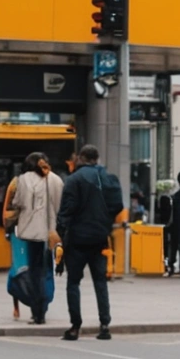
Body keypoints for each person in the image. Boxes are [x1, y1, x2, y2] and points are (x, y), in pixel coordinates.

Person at [56, 145, 123, 341]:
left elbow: (66, 211)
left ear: (81, 158)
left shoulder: (74, 180)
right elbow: (117, 205)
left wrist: (61, 233)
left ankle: (75, 326)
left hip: (77, 238)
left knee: (73, 282)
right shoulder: (110, 179)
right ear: (97, 158)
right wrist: (105, 220)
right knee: (100, 282)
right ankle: (104, 324)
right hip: (100, 238)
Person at [6, 152, 63, 324]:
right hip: (51, 232)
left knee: (34, 271)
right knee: (46, 271)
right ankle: (43, 308)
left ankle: (37, 312)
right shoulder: (56, 180)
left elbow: (17, 204)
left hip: (31, 233)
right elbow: (61, 206)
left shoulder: (23, 180)